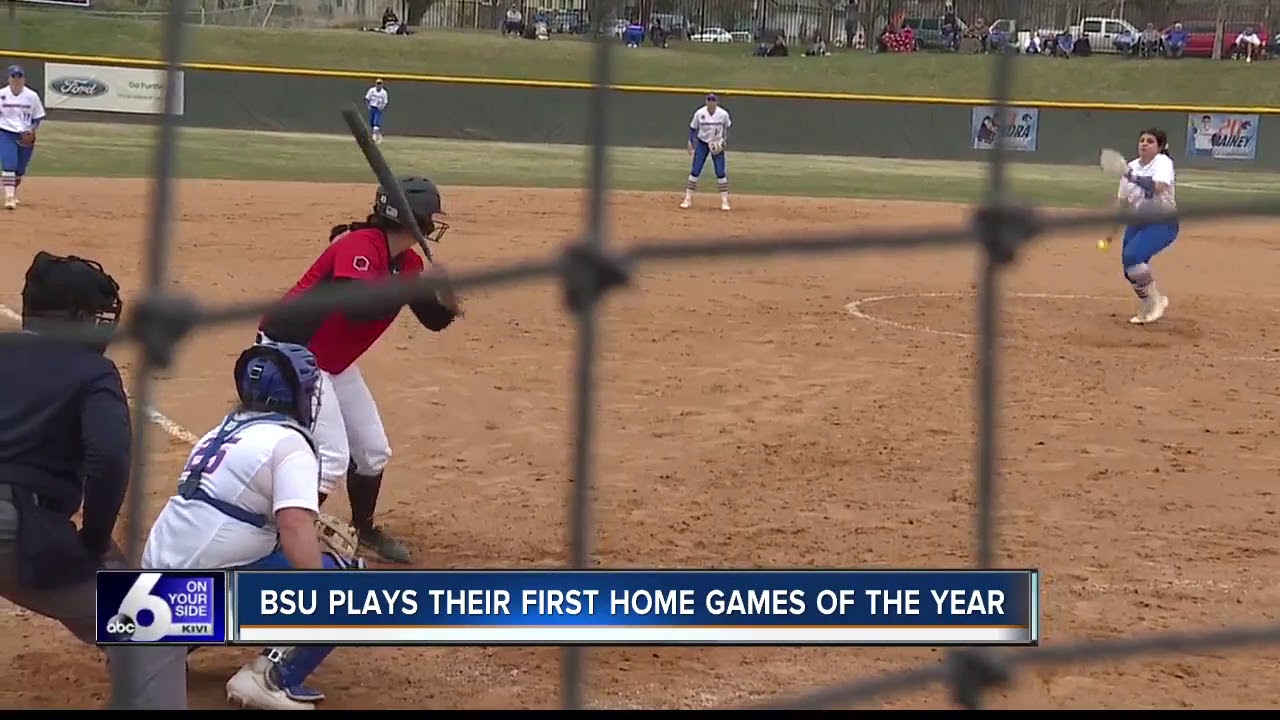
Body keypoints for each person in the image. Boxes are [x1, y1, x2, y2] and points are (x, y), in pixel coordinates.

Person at [139, 340, 363, 710]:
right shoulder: (289, 443)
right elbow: (293, 525)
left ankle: (156, 652)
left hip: (151, 599)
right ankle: (269, 679)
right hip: (203, 591)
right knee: (346, 584)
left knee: (259, 550)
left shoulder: (223, 431)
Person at [255, 176, 461, 564]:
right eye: (430, 216)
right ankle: (281, 536)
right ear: (413, 218)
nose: (433, 223)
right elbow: (357, 308)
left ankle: (364, 528)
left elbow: (434, 321)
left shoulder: (408, 262)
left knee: (372, 451)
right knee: (332, 456)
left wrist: (445, 296)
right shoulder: (359, 245)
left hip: (332, 362)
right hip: (293, 352)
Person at [0, 252, 175, 708]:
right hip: (13, 529)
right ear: (77, 318)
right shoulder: (92, 372)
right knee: (156, 625)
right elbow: (110, 458)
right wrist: (95, 538)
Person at [1105, 128, 1178, 325]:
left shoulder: (1163, 162)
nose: (1144, 144)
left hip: (1163, 222)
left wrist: (1132, 176)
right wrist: (1110, 234)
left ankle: (1154, 303)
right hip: (1138, 222)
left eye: (1150, 141)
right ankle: (1151, 300)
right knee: (1130, 268)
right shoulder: (1130, 167)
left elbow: (1159, 186)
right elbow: (1122, 204)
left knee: (1133, 256)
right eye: (1142, 140)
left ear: (1160, 147)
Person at [0, 64, 46, 210]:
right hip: (5, 132)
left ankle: (13, 191)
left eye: (19, 76)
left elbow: (37, 118)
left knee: (20, 169)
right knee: (9, 163)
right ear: (9, 78)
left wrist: (31, 130)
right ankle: (9, 197)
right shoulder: (1, 94)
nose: (17, 79)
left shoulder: (32, 96)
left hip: (25, 135)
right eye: (14, 76)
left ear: (24, 78)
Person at [680, 93, 732, 211]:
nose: (710, 102)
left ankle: (724, 201)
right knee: (695, 170)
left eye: (713, 100)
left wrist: (723, 141)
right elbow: (693, 128)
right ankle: (687, 199)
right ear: (706, 101)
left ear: (716, 102)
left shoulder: (723, 114)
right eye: (709, 100)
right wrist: (690, 142)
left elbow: (727, 127)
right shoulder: (700, 113)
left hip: (716, 144)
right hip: (702, 143)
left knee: (720, 171)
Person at [364, 79, 388, 144]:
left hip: (378, 109)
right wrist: (368, 106)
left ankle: (374, 138)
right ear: (375, 84)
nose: (379, 85)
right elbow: (366, 99)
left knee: (376, 123)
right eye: (378, 84)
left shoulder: (384, 93)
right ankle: (377, 135)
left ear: (382, 85)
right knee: (371, 123)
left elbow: (385, 102)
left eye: (380, 84)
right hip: (372, 108)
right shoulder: (371, 90)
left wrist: (382, 107)